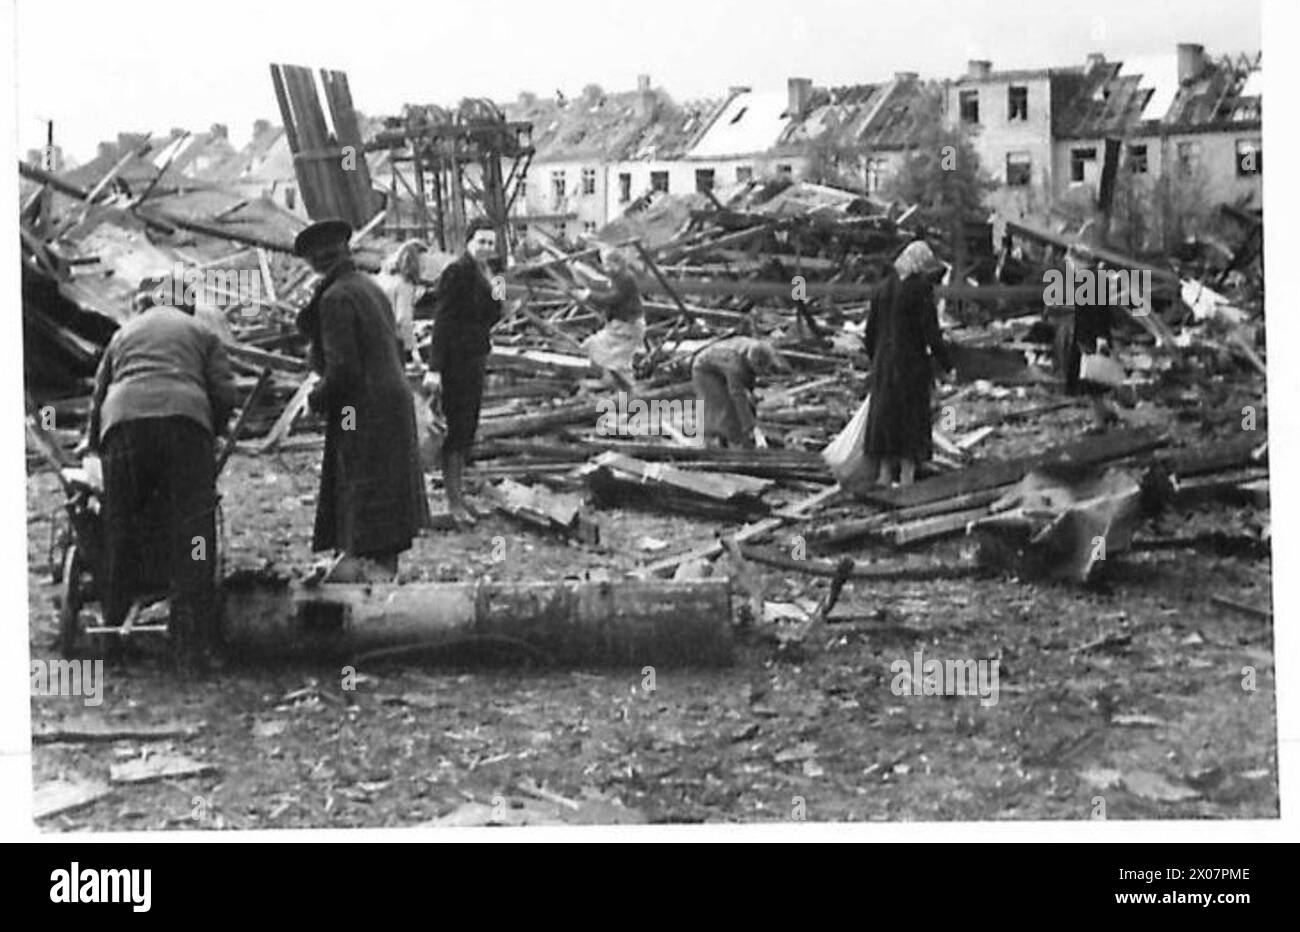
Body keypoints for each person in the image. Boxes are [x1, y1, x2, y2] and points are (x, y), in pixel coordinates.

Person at [87, 272, 239, 668]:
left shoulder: (125, 333)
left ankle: (112, 639)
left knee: (119, 527)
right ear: (186, 305)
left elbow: (98, 394)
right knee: (194, 533)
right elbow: (225, 393)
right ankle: (193, 644)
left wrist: (93, 447)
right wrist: (212, 432)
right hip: (184, 426)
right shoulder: (202, 333)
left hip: (122, 425)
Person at [294, 218, 430, 578]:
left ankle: (365, 579)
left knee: (360, 483)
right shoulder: (368, 288)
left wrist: (315, 400)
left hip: (361, 407)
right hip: (390, 400)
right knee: (379, 492)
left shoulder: (336, 298)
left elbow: (344, 370)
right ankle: (378, 569)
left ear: (315, 264)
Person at [421, 218, 503, 527]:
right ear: (468, 242)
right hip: (455, 361)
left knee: (467, 430)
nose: (486, 248)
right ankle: (453, 501)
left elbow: (493, 314)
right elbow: (443, 321)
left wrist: (499, 292)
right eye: (481, 241)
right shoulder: (457, 272)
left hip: (475, 358)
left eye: (490, 243)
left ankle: (459, 496)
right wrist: (434, 368)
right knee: (455, 431)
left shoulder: (488, 272)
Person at [862, 239, 954, 487]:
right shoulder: (920, 289)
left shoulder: (881, 289)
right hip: (910, 365)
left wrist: (876, 359)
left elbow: (869, 333)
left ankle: (883, 475)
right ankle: (906, 478)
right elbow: (931, 333)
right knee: (910, 419)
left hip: (883, 364)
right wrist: (947, 363)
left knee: (885, 418)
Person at [691, 335, 791, 448]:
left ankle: (735, 439)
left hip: (720, 367)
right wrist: (751, 427)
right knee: (724, 407)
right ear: (751, 362)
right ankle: (718, 441)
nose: (763, 373)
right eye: (760, 370)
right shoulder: (734, 366)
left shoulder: (756, 348)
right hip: (704, 371)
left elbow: (748, 382)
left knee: (739, 408)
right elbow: (738, 395)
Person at [572, 249, 646, 390]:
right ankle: (612, 382)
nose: (607, 268)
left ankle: (628, 394)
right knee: (594, 345)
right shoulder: (617, 277)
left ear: (617, 263)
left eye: (609, 264)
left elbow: (613, 298)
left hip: (628, 326)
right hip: (619, 325)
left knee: (620, 362)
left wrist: (589, 296)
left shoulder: (626, 278)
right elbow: (603, 286)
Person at [375, 239, 427, 367]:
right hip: (392, 344)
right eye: (423, 260)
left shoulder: (383, 278)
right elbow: (403, 319)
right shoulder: (405, 284)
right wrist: (413, 351)